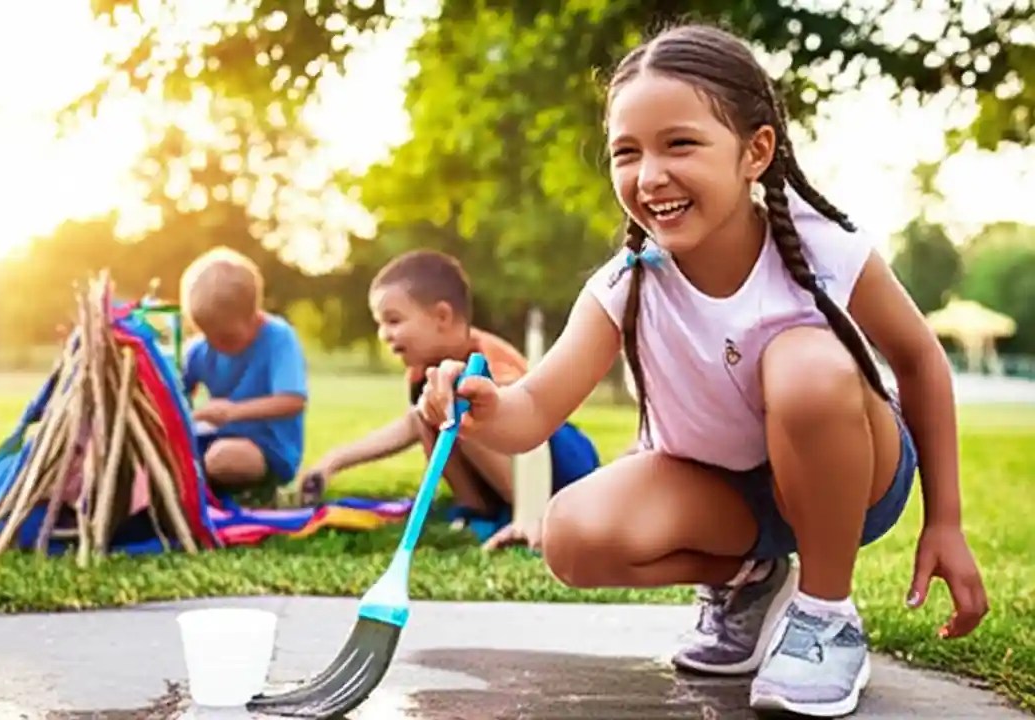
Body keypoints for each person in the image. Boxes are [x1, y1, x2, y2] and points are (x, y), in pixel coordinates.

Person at [414, 23, 988, 718]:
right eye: (627, 152)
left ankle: (827, 615)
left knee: (802, 364)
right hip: (727, 497)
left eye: (679, 144)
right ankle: (752, 580)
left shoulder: (822, 244)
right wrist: (478, 406)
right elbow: (532, 409)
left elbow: (920, 358)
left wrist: (945, 520)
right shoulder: (626, 285)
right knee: (571, 536)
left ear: (756, 151)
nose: (650, 175)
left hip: (856, 477)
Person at [298, 249, 599, 543]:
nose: (384, 334)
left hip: (558, 464)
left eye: (393, 321)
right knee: (427, 412)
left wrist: (530, 509)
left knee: (461, 404)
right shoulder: (423, 372)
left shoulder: (490, 358)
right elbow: (407, 427)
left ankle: (522, 513)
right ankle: (475, 512)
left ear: (442, 316)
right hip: (507, 462)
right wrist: (332, 462)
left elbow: (530, 428)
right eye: (380, 324)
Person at [179, 246, 308, 499]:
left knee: (223, 459)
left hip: (268, 448)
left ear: (254, 316)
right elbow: (179, 394)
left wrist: (232, 412)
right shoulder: (199, 349)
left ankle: (260, 490)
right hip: (214, 439)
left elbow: (293, 401)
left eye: (226, 337)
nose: (216, 344)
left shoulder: (278, 338)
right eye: (207, 333)